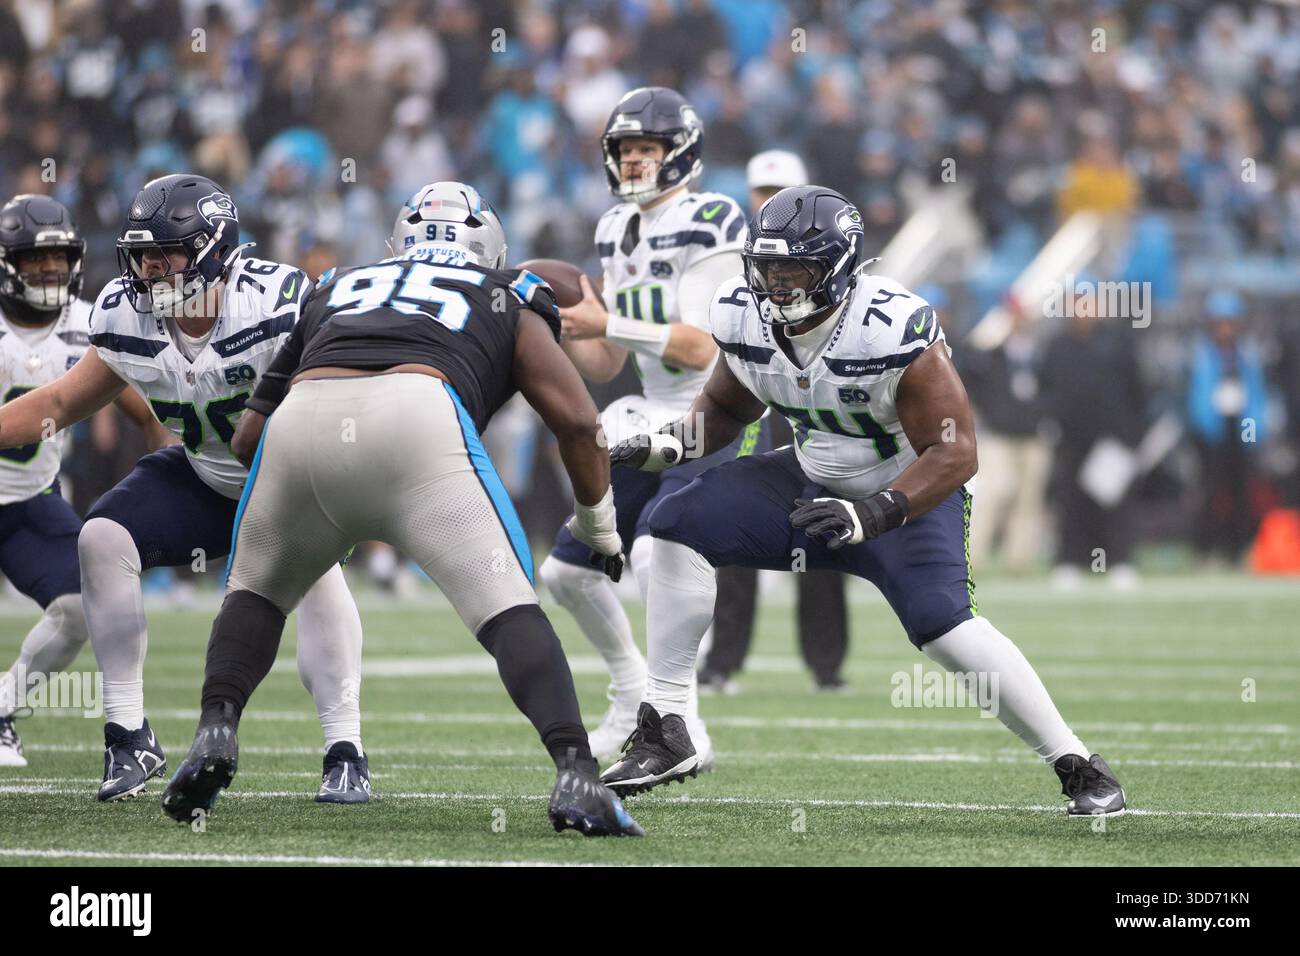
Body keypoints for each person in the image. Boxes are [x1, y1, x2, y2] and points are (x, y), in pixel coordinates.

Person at [599, 186, 1125, 818]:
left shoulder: (889, 327)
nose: (776, 284)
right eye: (767, 268)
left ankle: (1076, 763)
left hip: (903, 492)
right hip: (809, 475)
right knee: (675, 519)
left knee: (944, 628)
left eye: (794, 270)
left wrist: (875, 513)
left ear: (839, 268)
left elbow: (956, 452)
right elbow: (725, 410)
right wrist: (664, 447)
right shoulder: (741, 312)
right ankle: (668, 725)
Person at [160, 182, 642, 837]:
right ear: (492, 251)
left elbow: (247, 438)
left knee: (255, 595)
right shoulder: (508, 291)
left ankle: (216, 728)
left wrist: (318, 517)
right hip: (419, 421)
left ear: (398, 246)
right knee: (508, 609)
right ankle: (577, 771)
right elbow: (580, 424)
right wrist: (600, 530)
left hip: (301, 423)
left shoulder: (336, 284)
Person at [0, 175, 368, 803]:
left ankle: (345, 749)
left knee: (316, 578)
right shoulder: (125, 310)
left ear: (213, 249)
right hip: (203, 473)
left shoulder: (274, 301)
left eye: (164, 253)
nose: (149, 268)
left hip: (288, 479)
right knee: (101, 537)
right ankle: (128, 735)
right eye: (142, 254)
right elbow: (62, 401)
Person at [537, 86, 748, 762]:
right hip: (649, 411)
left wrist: (607, 321)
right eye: (624, 150)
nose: (632, 161)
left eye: (645, 149)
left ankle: (678, 718)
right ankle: (632, 694)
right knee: (568, 572)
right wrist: (562, 326)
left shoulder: (712, 218)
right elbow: (604, 363)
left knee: (662, 550)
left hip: (711, 411)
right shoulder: (614, 229)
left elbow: (701, 348)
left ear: (678, 153)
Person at [0, 194, 170, 767]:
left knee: (78, 608)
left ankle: (1, 711)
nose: (49, 269)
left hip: (29, 502)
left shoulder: (87, 319)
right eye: (33, 258)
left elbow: (130, 394)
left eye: (58, 257)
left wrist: (161, 442)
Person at [701, 150, 851, 694]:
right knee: (735, 526)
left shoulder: (824, 253)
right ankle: (723, 662)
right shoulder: (733, 253)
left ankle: (827, 664)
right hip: (752, 398)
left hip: (810, 400)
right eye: (761, 191)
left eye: (779, 190)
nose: (767, 201)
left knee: (823, 527)